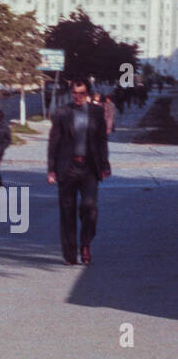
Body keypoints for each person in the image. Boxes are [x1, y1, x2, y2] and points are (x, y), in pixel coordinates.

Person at [48, 79, 110, 265]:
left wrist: (105, 164)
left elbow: (101, 141)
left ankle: (85, 244)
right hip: (67, 168)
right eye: (75, 93)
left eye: (82, 93)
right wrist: (51, 170)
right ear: (71, 93)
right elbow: (54, 143)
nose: (78, 97)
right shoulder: (62, 113)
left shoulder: (97, 112)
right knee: (67, 212)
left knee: (90, 208)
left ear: (87, 94)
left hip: (89, 168)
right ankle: (70, 254)